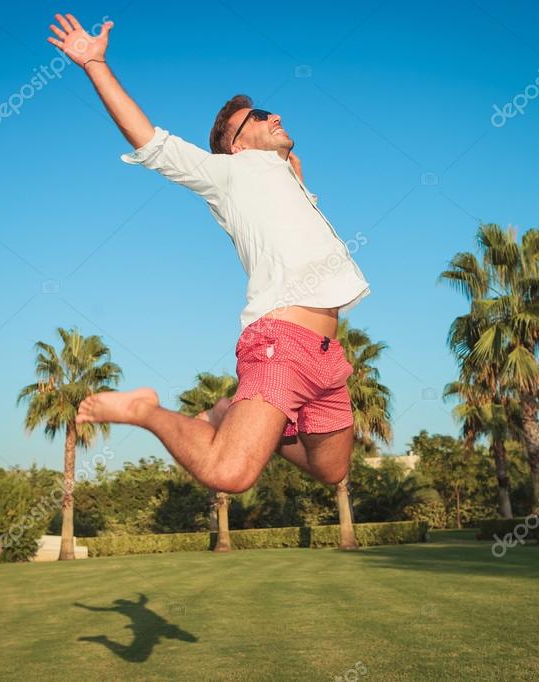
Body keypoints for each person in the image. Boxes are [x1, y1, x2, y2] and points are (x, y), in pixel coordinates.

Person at [48, 12, 370, 493]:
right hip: (282, 342)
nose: (273, 116)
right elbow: (153, 144)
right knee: (229, 474)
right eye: (257, 117)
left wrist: (295, 173)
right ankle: (146, 411)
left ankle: (226, 413)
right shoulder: (229, 174)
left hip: (327, 355)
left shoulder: (284, 181)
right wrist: (95, 64)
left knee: (331, 469)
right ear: (235, 147)